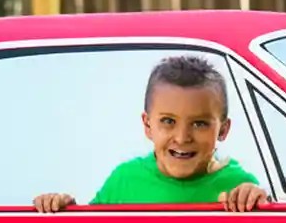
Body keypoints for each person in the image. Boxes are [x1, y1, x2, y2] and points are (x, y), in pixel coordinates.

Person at [32, 54, 270, 213]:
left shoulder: (239, 187)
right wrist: (63, 210)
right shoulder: (124, 180)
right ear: (147, 125)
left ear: (224, 130)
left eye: (199, 124)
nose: (182, 137)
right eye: (168, 121)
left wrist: (259, 201)